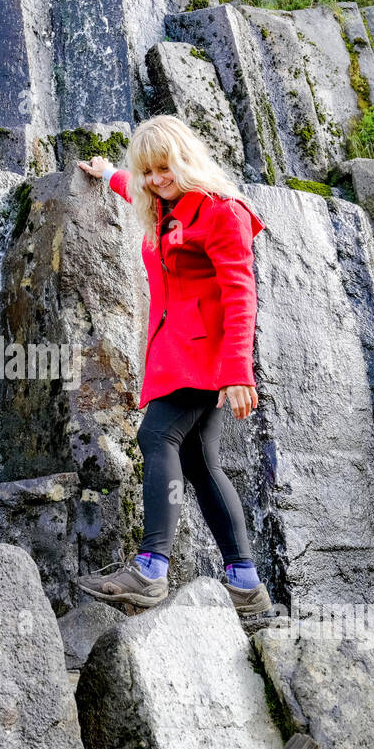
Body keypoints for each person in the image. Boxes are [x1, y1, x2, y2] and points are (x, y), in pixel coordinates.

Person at [73, 114, 271, 617]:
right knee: (201, 464)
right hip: (174, 351)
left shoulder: (221, 212)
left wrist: (236, 372)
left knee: (156, 437)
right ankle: (245, 587)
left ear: (185, 160)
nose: (157, 179)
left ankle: (150, 569)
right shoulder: (161, 205)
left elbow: (240, 293)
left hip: (204, 356)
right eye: (147, 172)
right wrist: (109, 173)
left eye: (165, 168)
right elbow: (135, 186)